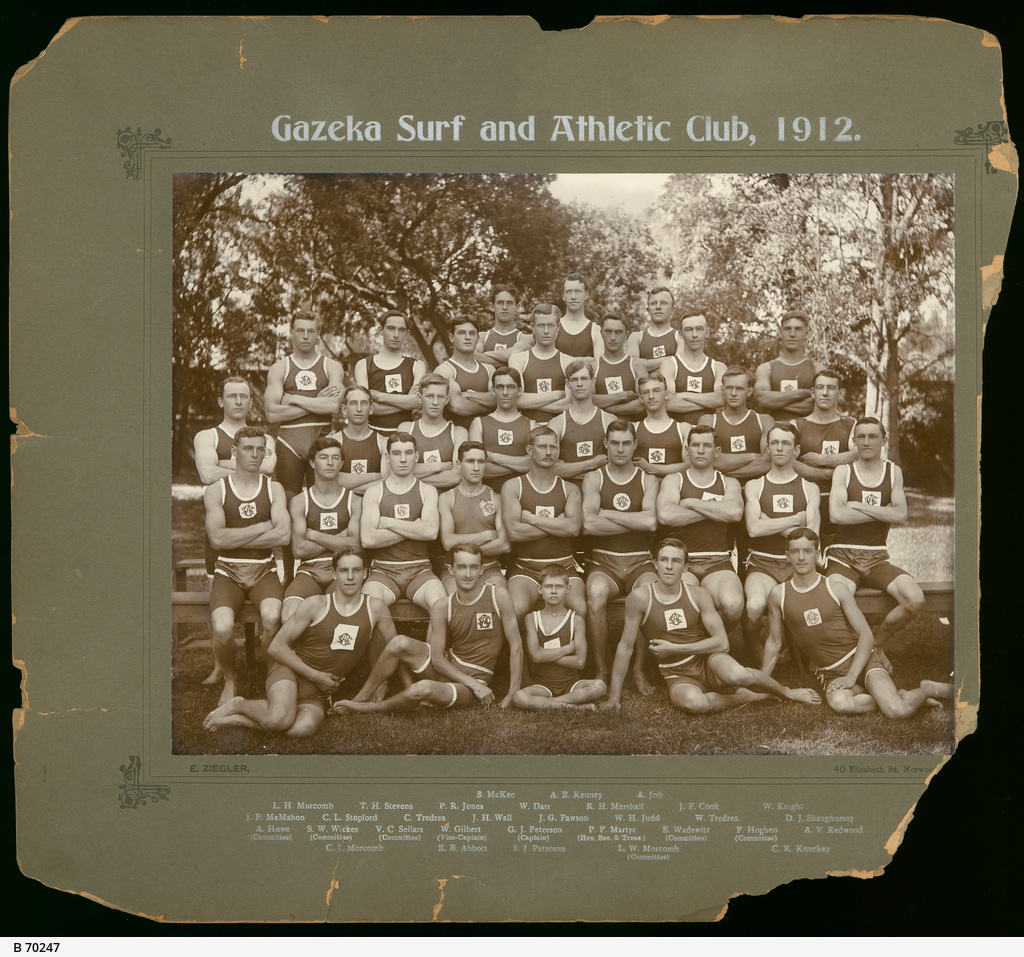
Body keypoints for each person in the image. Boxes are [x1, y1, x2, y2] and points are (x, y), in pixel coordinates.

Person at [602, 539, 820, 713]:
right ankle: (747, 697)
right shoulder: (640, 598)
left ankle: (788, 692)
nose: (669, 566)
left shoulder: (697, 594)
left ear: (685, 567)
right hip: (677, 672)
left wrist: (675, 648)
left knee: (738, 674)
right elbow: (625, 647)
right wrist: (614, 697)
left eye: (676, 561)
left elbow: (722, 643)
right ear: (655, 563)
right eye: (664, 560)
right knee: (694, 704)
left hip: (708, 661)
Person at [203, 547, 396, 736]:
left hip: (318, 692)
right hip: (291, 672)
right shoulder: (316, 604)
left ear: (365, 573)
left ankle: (240, 719)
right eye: (344, 570)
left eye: (356, 570)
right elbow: (276, 646)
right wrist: (316, 676)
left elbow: (395, 648)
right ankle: (239, 704)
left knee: (300, 730)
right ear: (334, 574)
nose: (350, 576)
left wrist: (384, 683)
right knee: (279, 720)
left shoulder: (376, 608)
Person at [763, 530, 952, 717]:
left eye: (807, 551)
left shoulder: (835, 588)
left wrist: (852, 676)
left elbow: (866, 635)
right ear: (787, 556)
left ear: (817, 554)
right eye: (795, 552)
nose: (801, 557)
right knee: (840, 703)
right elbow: (774, 642)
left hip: (862, 660)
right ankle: (895, 697)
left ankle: (927, 689)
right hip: (832, 673)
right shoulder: (779, 594)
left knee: (897, 711)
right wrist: (760, 683)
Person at [332, 544, 524, 712]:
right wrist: (470, 682)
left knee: (421, 689)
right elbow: (438, 658)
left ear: (482, 569)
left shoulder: (498, 596)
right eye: (462, 567)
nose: (467, 573)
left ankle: (369, 709)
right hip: (448, 669)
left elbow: (516, 646)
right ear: (451, 569)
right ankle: (362, 697)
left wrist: (511, 692)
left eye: (473, 567)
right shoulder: (443, 605)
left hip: (474, 682)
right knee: (398, 642)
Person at [203, 426, 291, 705]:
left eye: (260, 449)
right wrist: (263, 526)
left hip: (263, 568)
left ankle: (272, 673)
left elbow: (283, 535)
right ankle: (230, 679)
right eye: (247, 448)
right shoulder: (217, 490)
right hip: (228, 571)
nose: (255, 454)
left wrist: (239, 535)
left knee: (272, 618)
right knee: (222, 628)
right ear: (234, 452)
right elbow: (217, 539)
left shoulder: (273, 488)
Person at [825, 417, 925, 646]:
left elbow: (900, 515)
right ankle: (844, 650)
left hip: (877, 558)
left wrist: (858, 505)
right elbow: (837, 515)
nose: (866, 442)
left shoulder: (893, 471)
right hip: (843, 557)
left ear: (884, 440)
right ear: (854, 441)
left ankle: (874, 645)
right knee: (835, 599)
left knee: (915, 598)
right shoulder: (843, 471)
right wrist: (883, 511)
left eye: (873, 436)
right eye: (861, 436)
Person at [264, 312, 345, 583]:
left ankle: (326, 572)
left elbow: (333, 407)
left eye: (311, 331)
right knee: (289, 510)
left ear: (318, 333)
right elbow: (272, 415)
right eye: (300, 331)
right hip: (288, 443)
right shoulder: (279, 369)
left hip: (320, 441)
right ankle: (289, 575)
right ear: (292, 332)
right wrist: (314, 401)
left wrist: (293, 399)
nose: (306, 336)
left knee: (322, 507)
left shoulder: (331, 367)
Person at [581, 420, 659, 684]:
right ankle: (602, 668)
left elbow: (650, 522)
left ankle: (638, 668)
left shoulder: (647, 478)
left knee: (646, 594)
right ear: (605, 444)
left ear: (635, 445)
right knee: (596, 595)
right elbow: (589, 524)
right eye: (614, 443)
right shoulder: (594, 478)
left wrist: (608, 514)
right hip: (604, 561)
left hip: (639, 560)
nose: (620, 449)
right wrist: (632, 519)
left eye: (626, 443)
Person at [742, 422, 821, 661]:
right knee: (755, 606)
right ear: (767, 448)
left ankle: (801, 652)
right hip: (762, 563)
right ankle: (753, 648)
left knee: (812, 613)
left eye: (785, 443)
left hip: (796, 566)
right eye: (774, 442)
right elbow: (754, 529)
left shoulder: (810, 488)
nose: (779, 448)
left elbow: (810, 537)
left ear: (795, 450)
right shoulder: (755, 486)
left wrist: (770, 522)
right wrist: (795, 521)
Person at [656, 424, 745, 633]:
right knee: (680, 605)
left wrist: (690, 503)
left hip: (718, 561)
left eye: (707, 445)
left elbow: (734, 513)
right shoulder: (674, 480)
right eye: (695, 445)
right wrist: (714, 512)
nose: (701, 450)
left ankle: (705, 644)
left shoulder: (729, 482)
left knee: (733, 605)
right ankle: (691, 650)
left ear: (717, 451)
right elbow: (666, 515)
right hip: (682, 561)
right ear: (687, 450)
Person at [193, 376, 278, 573]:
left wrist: (222, 462)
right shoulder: (207, 436)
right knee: (219, 597)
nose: (238, 401)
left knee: (261, 592)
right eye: (232, 396)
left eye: (243, 396)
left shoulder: (265, 438)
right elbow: (207, 474)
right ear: (221, 401)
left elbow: (267, 468)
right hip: (222, 521)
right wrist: (248, 465)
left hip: (259, 524)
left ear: (250, 401)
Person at [501, 426, 586, 619]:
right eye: (542, 447)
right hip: (526, 568)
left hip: (563, 567)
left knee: (580, 608)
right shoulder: (514, 486)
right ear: (530, 450)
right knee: (517, 609)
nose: (549, 452)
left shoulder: (570, 488)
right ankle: (518, 650)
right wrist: (558, 524)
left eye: (553, 447)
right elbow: (515, 532)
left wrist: (532, 519)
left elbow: (573, 529)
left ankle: (584, 650)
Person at [359, 431, 447, 614]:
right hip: (384, 570)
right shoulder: (374, 492)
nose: (403, 459)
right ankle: (390, 644)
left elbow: (430, 532)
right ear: (387, 457)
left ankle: (431, 645)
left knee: (440, 605)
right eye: (397, 453)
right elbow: (368, 539)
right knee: (368, 607)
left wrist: (389, 522)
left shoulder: (427, 490)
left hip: (419, 569)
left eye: (408, 453)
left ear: (416, 456)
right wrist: (415, 526)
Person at [281, 436, 362, 621]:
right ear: (312, 462)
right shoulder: (299, 502)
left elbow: (356, 545)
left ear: (342, 463)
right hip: (310, 570)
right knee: (289, 613)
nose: (330, 462)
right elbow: (298, 549)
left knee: (339, 614)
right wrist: (340, 540)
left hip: (344, 569)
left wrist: (314, 535)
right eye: (323, 457)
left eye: (335, 458)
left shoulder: (355, 501)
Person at [512, 564, 606, 711]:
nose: (554, 591)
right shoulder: (532, 618)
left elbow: (580, 662)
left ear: (567, 589)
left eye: (559, 587)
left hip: (571, 684)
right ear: (540, 589)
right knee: (519, 697)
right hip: (543, 685)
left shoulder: (576, 620)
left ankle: (551, 703)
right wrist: (568, 648)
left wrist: (545, 655)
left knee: (599, 686)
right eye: (548, 586)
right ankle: (575, 708)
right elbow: (536, 656)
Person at [794, 368, 858, 546]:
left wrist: (821, 460)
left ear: (841, 393)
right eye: (820, 387)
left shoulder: (851, 424)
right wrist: (832, 473)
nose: (824, 392)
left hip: (839, 503)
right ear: (813, 392)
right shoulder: (797, 425)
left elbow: (858, 455)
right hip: (803, 504)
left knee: (835, 562)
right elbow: (788, 461)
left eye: (831, 388)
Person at [438, 441, 510, 593]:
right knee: (454, 600)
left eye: (481, 462)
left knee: (498, 595)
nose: (476, 467)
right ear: (459, 464)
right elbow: (447, 542)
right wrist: (487, 535)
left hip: (488, 569)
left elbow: (504, 545)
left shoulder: (496, 498)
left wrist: (464, 550)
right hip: (456, 570)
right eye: (470, 461)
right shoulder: (447, 498)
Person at [354, 310, 428, 436]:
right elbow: (365, 408)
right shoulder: (364, 365)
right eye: (391, 328)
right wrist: (406, 402)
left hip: (406, 437)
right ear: (381, 330)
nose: (396, 334)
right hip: (373, 435)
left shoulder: (417, 365)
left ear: (407, 333)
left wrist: (381, 397)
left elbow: (418, 402)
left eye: (401, 330)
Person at [699, 365, 773, 482]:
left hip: (755, 490)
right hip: (720, 490)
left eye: (739, 388)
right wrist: (752, 456)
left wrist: (724, 471)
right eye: (729, 388)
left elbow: (767, 463)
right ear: (722, 390)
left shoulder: (764, 421)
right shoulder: (708, 421)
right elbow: (706, 460)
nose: (733, 393)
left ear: (749, 392)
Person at [548, 359, 616, 484]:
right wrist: (592, 464)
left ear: (593, 382)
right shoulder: (557, 423)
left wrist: (569, 470)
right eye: (574, 380)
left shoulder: (608, 420)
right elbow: (551, 468)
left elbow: (616, 467)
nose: (579, 384)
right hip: (567, 493)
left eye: (584, 379)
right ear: (567, 384)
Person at [397, 372, 468, 490]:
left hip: (445, 503)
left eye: (440, 397)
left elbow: (456, 476)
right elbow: (396, 469)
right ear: (420, 398)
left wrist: (411, 473)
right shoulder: (406, 429)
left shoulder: (458, 433)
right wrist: (438, 466)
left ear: (447, 399)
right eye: (429, 396)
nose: (435, 402)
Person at [468, 366, 533, 488]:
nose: (505, 392)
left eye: (511, 387)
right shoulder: (478, 424)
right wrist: (521, 465)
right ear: (493, 390)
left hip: (521, 495)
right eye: (500, 387)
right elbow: (477, 469)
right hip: (489, 496)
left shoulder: (531, 425)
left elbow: (536, 464)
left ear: (519, 390)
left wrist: (492, 457)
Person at [507, 302, 571, 423]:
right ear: (533, 327)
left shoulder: (568, 361)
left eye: (551, 326)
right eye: (541, 325)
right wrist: (557, 394)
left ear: (558, 327)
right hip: (527, 430)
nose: (546, 331)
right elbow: (516, 400)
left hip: (558, 431)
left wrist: (531, 403)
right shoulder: (518, 359)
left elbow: (569, 404)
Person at [754, 310, 824, 420]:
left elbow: (819, 403)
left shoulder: (817, 368)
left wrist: (777, 403)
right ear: (781, 332)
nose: (792, 334)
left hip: (808, 432)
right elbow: (762, 399)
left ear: (807, 333)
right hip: (777, 432)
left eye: (798, 329)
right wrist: (801, 394)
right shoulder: (766, 368)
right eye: (787, 329)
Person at [661, 310, 726, 425]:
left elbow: (720, 400)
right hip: (678, 434)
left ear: (707, 333)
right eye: (688, 329)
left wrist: (683, 395)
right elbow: (669, 404)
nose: (694, 334)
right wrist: (708, 401)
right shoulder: (669, 365)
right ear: (681, 335)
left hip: (708, 435)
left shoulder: (718, 367)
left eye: (699, 329)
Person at [433, 315, 495, 429]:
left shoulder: (489, 369)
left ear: (477, 338)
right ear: (452, 338)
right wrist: (490, 409)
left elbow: (498, 399)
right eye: (461, 333)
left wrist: (467, 395)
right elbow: (457, 405)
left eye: (472, 333)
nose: (467, 337)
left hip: (486, 437)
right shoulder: (445, 370)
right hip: (457, 439)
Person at [330, 386, 389, 495]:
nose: (359, 409)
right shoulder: (333, 442)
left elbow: (386, 485)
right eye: (353, 403)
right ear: (344, 409)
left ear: (371, 409)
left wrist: (347, 485)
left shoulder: (383, 443)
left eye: (364, 403)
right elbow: (331, 482)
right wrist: (375, 476)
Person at [633, 373, 691, 479]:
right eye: (646, 392)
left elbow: (689, 466)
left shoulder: (683, 428)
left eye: (656, 391)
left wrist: (652, 468)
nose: (651, 396)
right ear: (641, 398)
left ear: (666, 394)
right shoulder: (633, 428)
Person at [592, 314, 647, 419]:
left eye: (618, 332)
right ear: (601, 334)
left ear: (626, 335)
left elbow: (642, 404)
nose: (613, 338)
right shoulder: (593, 367)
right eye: (608, 332)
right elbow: (587, 401)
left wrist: (606, 409)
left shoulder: (637, 366)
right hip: (602, 431)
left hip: (631, 430)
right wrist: (623, 396)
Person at [627, 286, 681, 373]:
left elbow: (679, 367)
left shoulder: (680, 337)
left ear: (672, 310)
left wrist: (645, 364)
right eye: (653, 303)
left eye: (663, 303)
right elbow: (632, 368)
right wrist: (671, 359)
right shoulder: (636, 338)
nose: (658, 307)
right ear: (648, 310)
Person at [477, 284, 530, 366]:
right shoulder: (482, 337)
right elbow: (473, 356)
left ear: (517, 307)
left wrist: (484, 354)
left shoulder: (524, 338)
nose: (505, 307)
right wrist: (507, 361)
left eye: (509, 303)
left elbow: (512, 353)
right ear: (492, 306)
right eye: (500, 303)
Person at [556, 273, 603, 358]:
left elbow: (599, 367)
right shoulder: (555, 327)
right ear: (563, 296)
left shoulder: (595, 330)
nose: (573, 297)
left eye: (577, 291)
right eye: (569, 292)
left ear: (586, 295)